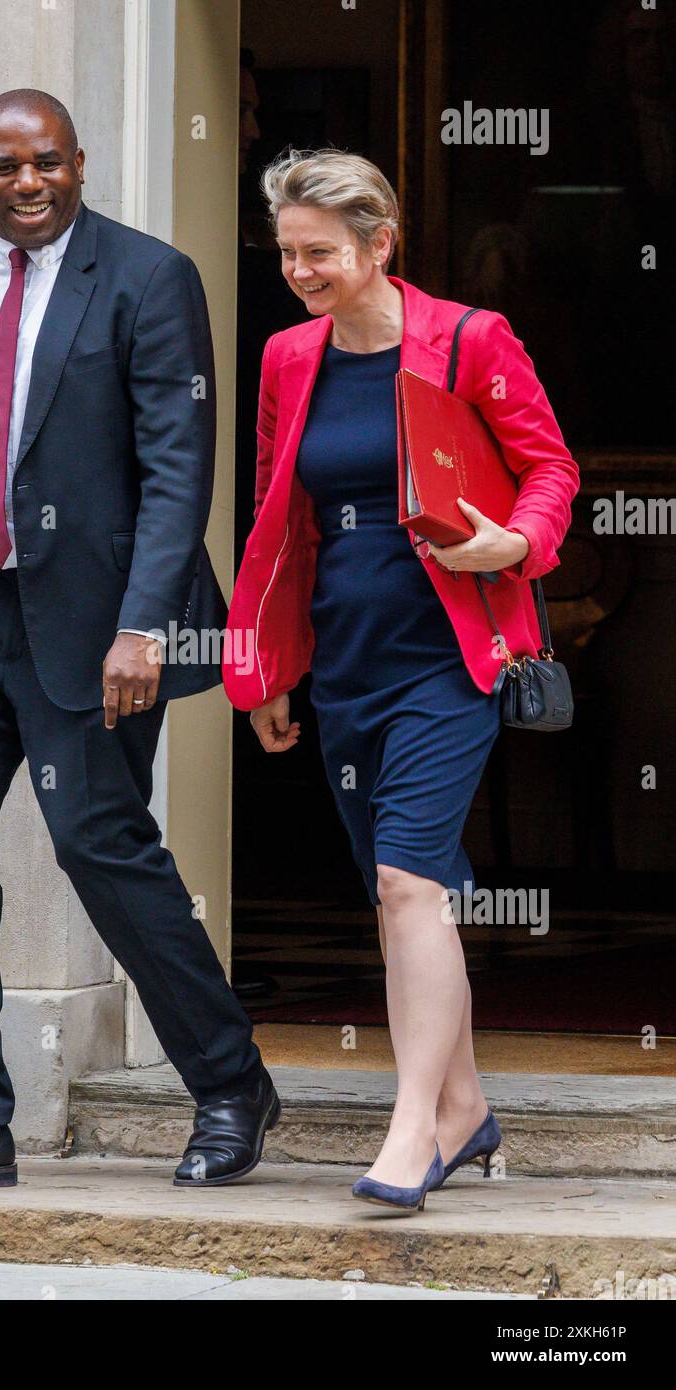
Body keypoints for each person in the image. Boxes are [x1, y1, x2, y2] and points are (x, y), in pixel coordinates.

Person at [0, 89, 279, 1193]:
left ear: (78, 164)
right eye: (4, 167)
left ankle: (230, 1085)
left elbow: (179, 468)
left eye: (46, 161)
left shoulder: (148, 277)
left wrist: (144, 624)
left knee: (101, 846)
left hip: (95, 620)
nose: (27, 183)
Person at [224, 149, 579, 1211]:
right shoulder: (288, 355)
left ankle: (412, 1129)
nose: (298, 271)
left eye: (318, 252)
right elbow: (277, 516)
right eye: (286, 253)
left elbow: (550, 467)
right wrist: (266, 664)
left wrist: (514, 543)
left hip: (448, 655)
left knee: (409, 884)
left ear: (379, 244)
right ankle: (463, 1109)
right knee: (395, 895)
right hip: (346, 657)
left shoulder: (469, 339)